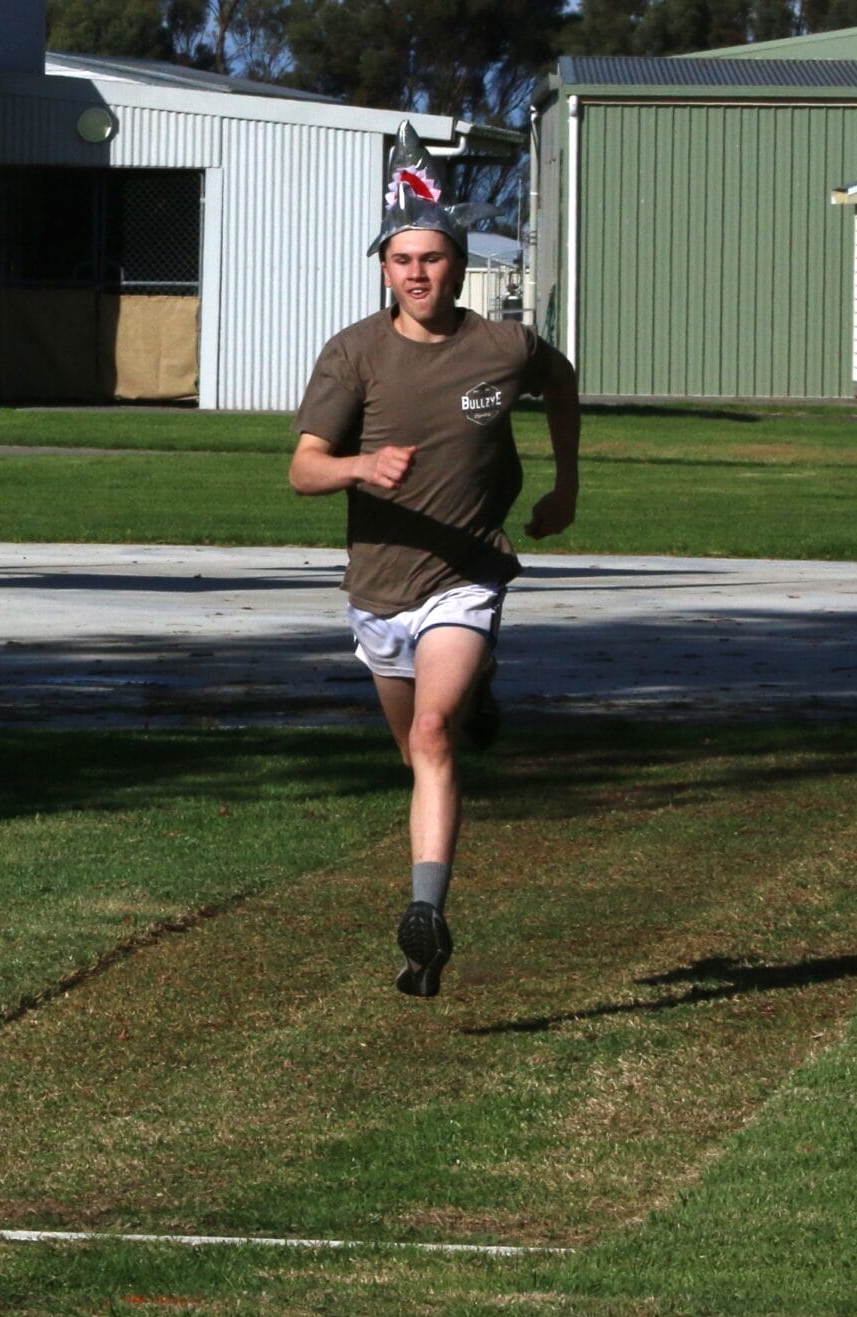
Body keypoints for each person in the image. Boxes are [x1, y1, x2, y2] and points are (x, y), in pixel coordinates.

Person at [289, 123, 581, 998]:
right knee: (414, 753)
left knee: (431, 735)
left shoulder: (504, 348)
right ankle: (478, 693)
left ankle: (427, 919)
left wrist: (566, 487)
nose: (419, 273)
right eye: (402, 259)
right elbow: (303, 469)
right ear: (385, 269)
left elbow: (561, 387)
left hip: (470, 571)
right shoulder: (354, 354)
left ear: (459, 264)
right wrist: (357, 467)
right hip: (379, 588)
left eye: (434, 258)